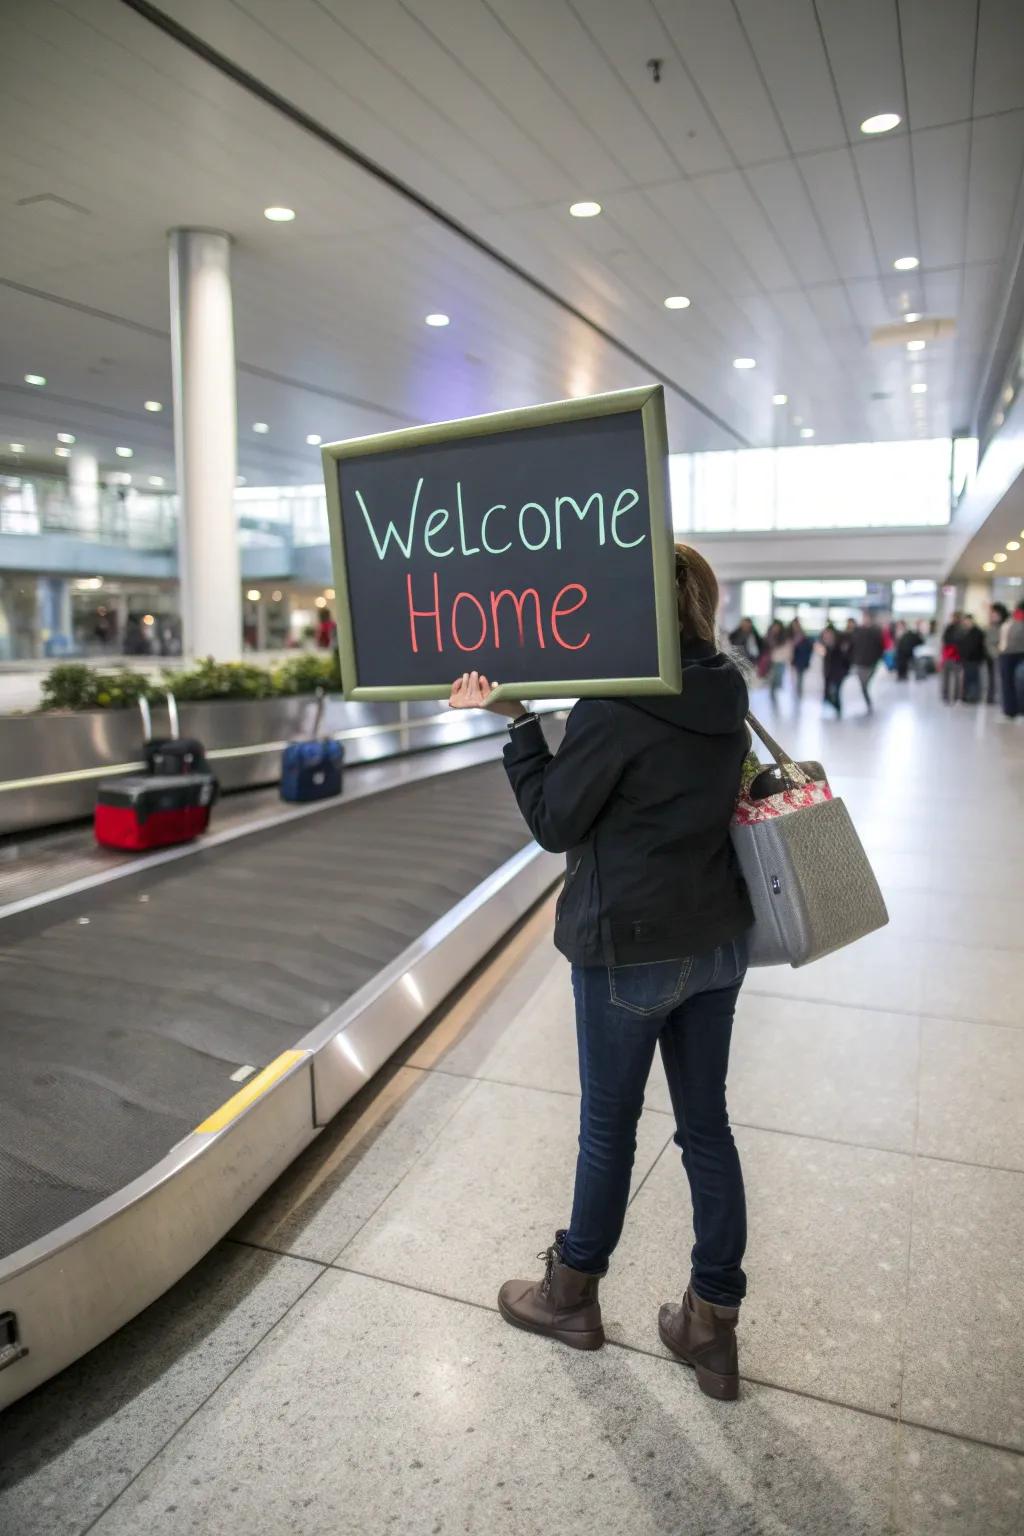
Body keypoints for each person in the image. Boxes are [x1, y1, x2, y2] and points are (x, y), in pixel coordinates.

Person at [449, 543, 753, 1401]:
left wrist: (517, 724)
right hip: (720, 943)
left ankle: (571, 1293)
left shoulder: (616, 707)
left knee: (608, 1128)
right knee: (707, 1129)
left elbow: (555, 821)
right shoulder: (725, 686)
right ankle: (712, 1322)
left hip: (631, 947)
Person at [849, 611, 885, 712]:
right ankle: (867, 701)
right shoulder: (858, 631)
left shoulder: (876, 631)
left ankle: (867, 700)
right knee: (863, 684)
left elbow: (880, 646)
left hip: (871, 662)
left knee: (865, 683)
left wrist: (878, 658)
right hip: (860, 662)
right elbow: (853, 646)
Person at [998, 599, 1024, 720]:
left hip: (1016, 653)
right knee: (1007, 683)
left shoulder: (1016, 622)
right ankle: (1009, 711)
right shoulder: (1011, 620)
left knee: (1016, 683)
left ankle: (1016, 711)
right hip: (1007, 654)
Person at [819, 621, 850, 715]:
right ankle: (833, 704)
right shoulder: (826, 645)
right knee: (828, 691)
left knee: (836, 690)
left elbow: (845, 657)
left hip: (839, 671)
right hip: (829, 671)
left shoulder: (839, 642)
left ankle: (838, 708)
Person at [957, 615, 986, 703]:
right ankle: (966, 696)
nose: (966, 623)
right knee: (966, 679)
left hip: (974, 659)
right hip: (965, 660)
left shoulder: (978, 632)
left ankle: (973, 697)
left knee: (974, 679)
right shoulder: (964, 632)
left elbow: (976, 646)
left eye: (968, 621)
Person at [986, 603, 1008, 704]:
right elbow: (989, 643)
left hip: (1008, 656)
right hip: (995, 657)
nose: (992, 615)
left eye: (994, 613)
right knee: (994, 679)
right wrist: (996, 654)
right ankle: (993, 698)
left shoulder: (1007, 625)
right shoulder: (991, 628)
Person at [764, 619, 792, 701]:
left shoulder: (785, 638)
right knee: (771, 681)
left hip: (780, 662)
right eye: (774, 626)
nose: (775, 628)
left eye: (777, 627)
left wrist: (786, 658)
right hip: (770, 662)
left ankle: (775, 699)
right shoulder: (769, 636)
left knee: (777, 682)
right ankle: (772, 699)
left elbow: (788, 650)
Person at [941, 612, 966, 704]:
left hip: (956, 657)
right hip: (948, 655)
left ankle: (956, 697)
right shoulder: (949, 628)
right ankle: (946, 696)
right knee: (946, 678)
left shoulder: (961, 629)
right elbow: (945, 641)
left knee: (957, 678)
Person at [790, 619, 813, 699]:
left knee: (799, 678)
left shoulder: (802, 636)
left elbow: (807, 648)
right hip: (795, 660)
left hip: (800, 661)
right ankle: (796, 694)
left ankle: (798, 694)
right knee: (794, 678)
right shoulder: (793, 634)